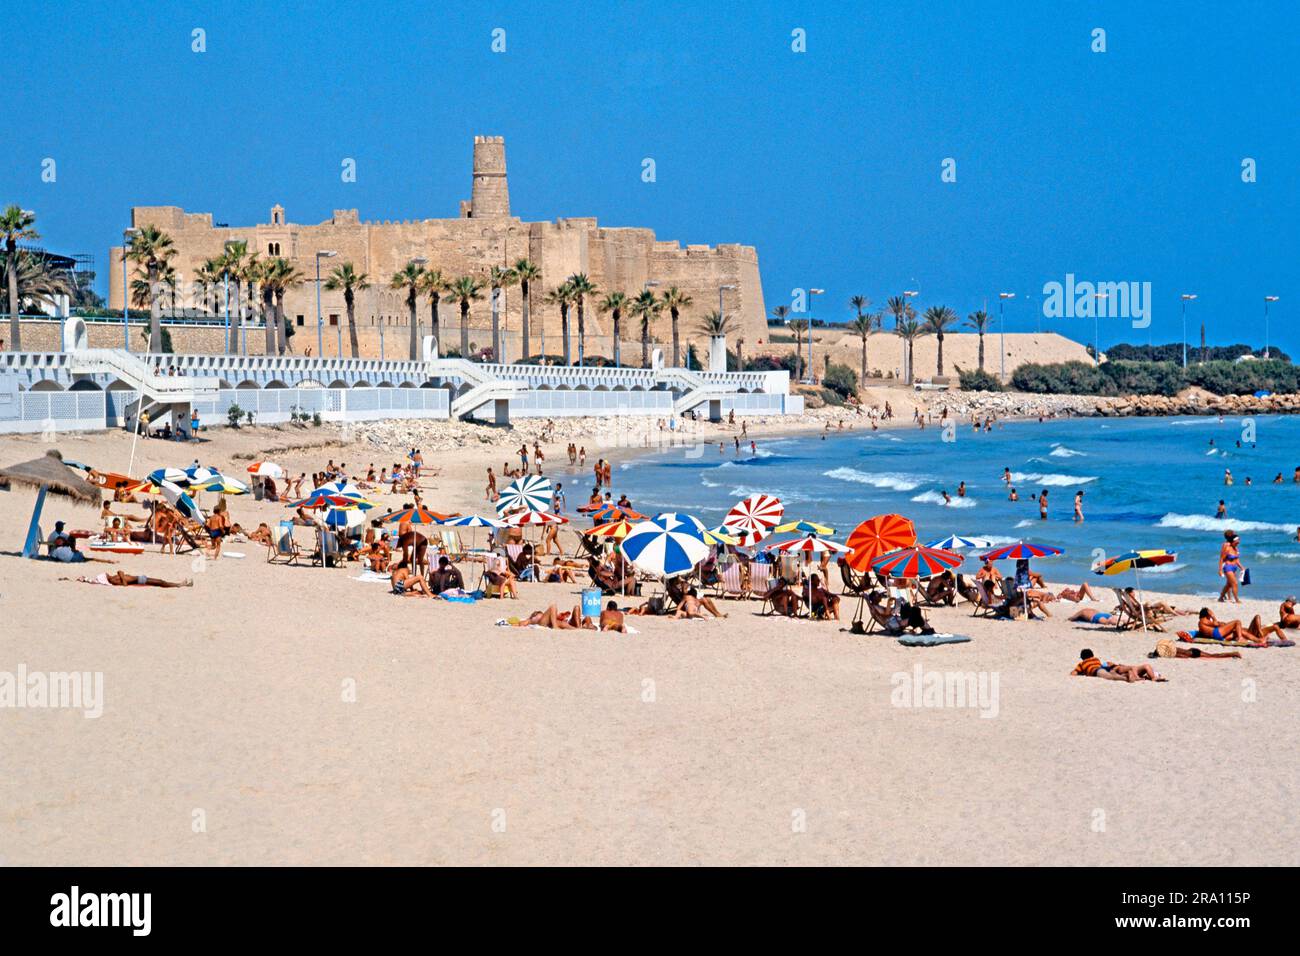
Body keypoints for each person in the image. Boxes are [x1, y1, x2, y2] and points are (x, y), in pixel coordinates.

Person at [1071, 648, 1166, 682]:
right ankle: (1152, 677)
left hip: (1098, 670)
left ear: (1083, 658)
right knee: (1113, 674)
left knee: (1111, 677)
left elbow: (1074, 673)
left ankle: (1127, 678)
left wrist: (1078, 672)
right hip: (1109, 667)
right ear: (1092, 655)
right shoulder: (1097, 660)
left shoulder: (1082, 663)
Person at [509, 605, 595, 630]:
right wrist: (513, 625)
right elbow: (522, 623)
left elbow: (555, 616)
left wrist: (562, 616)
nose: (535, 612)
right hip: (545, 623)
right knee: (553, 606)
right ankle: (555, 627)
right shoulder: (531, 619)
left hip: (564, 622)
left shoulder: (544, 615)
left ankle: (580, 627)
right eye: (535, 613)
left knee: (577, 607)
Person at [71, 571, 193, 588]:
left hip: (139, 577)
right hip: (139, 580)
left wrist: (121, 574)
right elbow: (124, 584)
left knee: (160, 581)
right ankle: (179, 585)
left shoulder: (113, 576)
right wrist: (122, 576)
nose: (107, 573)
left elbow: (120, 571)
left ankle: (179, 584)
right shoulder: (114, 580)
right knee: (160, 582)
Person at [1149, 638, 1240, 660]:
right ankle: (1233, 653)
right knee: (1213, 655)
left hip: (1193, 653)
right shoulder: (1175, 648)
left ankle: (1233, 654)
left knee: (1213, 656)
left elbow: (1185, 657)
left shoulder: (1174, 653)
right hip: (1191, 649)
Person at [1218, 530, 1241, 603]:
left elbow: (1237, 559)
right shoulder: (1226, 545)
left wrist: (1241, 567)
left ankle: (1221, 597)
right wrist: (1220, 569)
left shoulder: (1235, 548)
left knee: (1229, 584)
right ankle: (1236, 599)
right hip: (1227, 566)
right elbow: (1222, 558)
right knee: (1234, 583)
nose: (1239, 541)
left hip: (1234, 567)